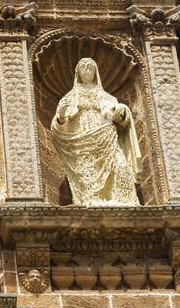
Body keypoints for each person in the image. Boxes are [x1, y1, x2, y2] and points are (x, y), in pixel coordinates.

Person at [49, 57, 142, 206]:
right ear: (78, 72)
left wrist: (122, 111)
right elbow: (59, 125)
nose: (87, 70)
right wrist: (60, 117)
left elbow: (121, 122)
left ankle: (124, 200)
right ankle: (90, 200)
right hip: (82, 137)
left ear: (95, 72)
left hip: (107, 135)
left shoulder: (106, 96)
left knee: (120, 165)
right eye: (83, 67)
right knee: (87, 170)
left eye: (90, 67)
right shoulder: (71, 97)